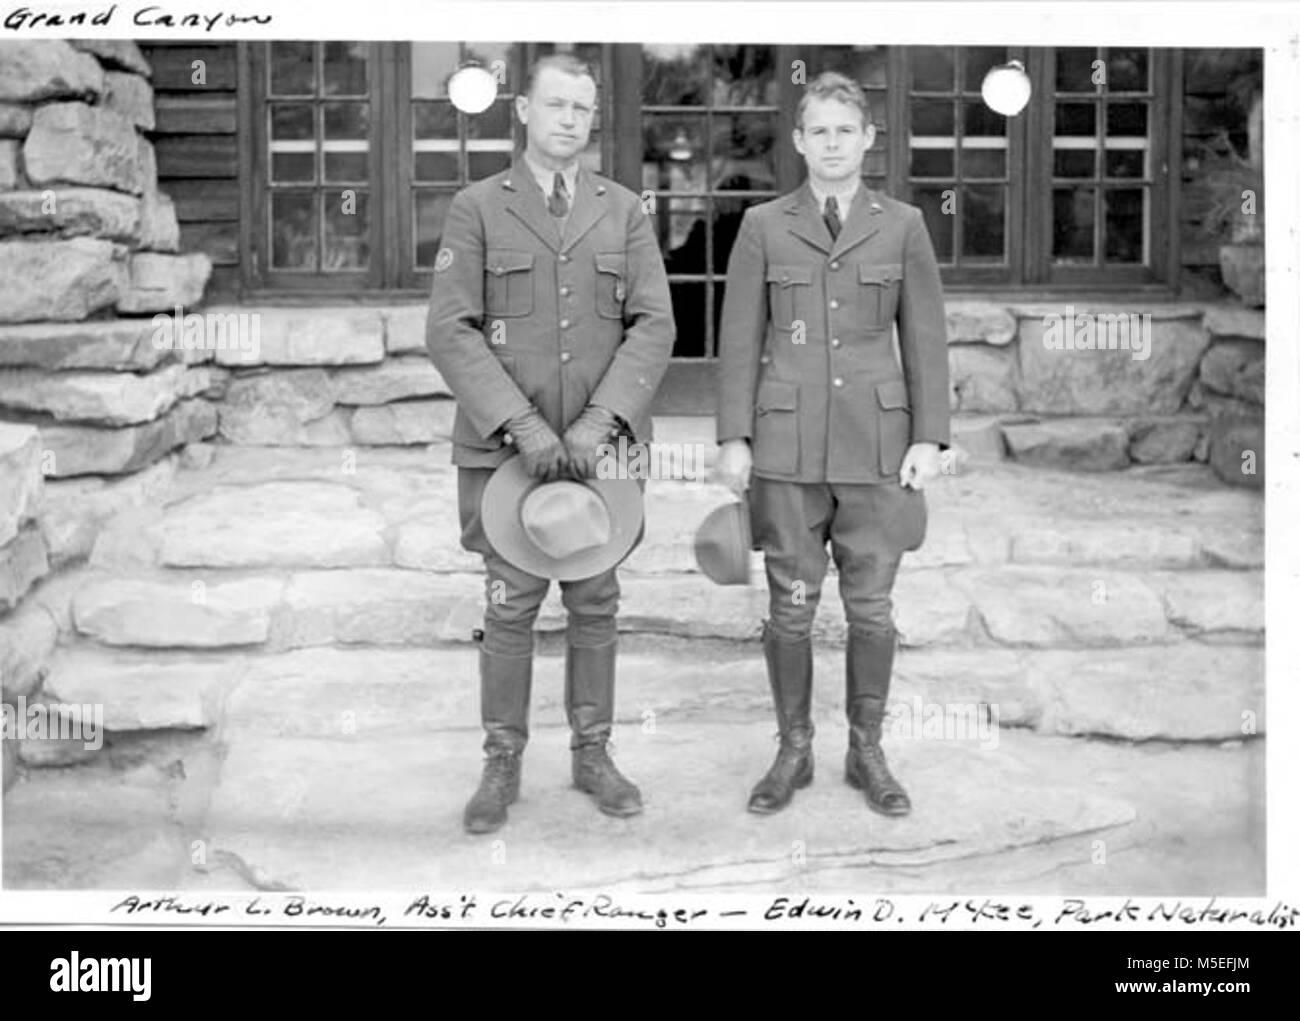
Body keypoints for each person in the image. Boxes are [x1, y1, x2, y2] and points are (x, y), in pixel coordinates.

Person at [425, 54, 675, 834]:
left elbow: (654, 323)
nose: (569, 118)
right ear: (524, 112)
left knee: (596, 597)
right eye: (555, 104)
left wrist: (599, 423)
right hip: (509, 449)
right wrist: (524, 427)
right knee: (510, 604)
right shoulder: (477, 207)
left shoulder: (624, 210)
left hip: (605, 448)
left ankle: (593, 750)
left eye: (582, 107)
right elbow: (450, 329)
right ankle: (502, 758)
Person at [714, 71, 950, 817]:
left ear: (868, 139)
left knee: (872, 610)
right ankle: (793, 750)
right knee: (790, 608)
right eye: (819, 131)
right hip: (786, 448)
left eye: (845, 130)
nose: (832, 143)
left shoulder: (904, 223)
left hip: (878, 447)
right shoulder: (763, 224)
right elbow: (738, 336)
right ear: (798, 141)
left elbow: (926, 338)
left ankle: (867, 749)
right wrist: (734, 436)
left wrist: (930, 437)